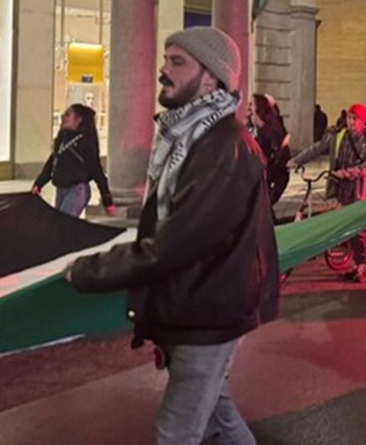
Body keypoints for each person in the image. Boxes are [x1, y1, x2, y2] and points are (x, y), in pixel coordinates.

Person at [66, 27, 278, 445]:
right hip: (198, 304)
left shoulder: (223, 147)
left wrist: (89, 270)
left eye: (178, 62)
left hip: (208, 310)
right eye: (166, 59)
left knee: (176, 433)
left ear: (213, 78)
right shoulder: (190, 135)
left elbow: (176, 242)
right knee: (218, 417)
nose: (164, 69)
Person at [290, 103, 366, 282]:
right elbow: (318, 148)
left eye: (355, 119)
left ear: (363, 120)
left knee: (359, 227)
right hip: (341, 188)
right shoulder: (339, 135)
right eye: (350, 118)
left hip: (360, 189)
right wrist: (296, 161)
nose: (351, 122)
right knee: (347, 225)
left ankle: (363, 265)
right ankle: (355, 261)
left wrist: (346, 173)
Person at [33, 104, 116, 218]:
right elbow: (52, 163)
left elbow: (97, 171)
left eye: (68, 115)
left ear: (79, 120)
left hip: (76, 190)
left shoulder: (85, 143)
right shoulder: (63, 140)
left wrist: (107, 201)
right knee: (60, 224)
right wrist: (39, 184)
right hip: (61, 189)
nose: (63, 118)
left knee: (64, 223)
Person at [251, 94, 291, 205]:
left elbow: (274, 139)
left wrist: (260, 124)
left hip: (275, 171)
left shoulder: (272, 123)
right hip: (262, 173)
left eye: (252, 104)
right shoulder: (252, 123)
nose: (250, 107)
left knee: (265, 204)